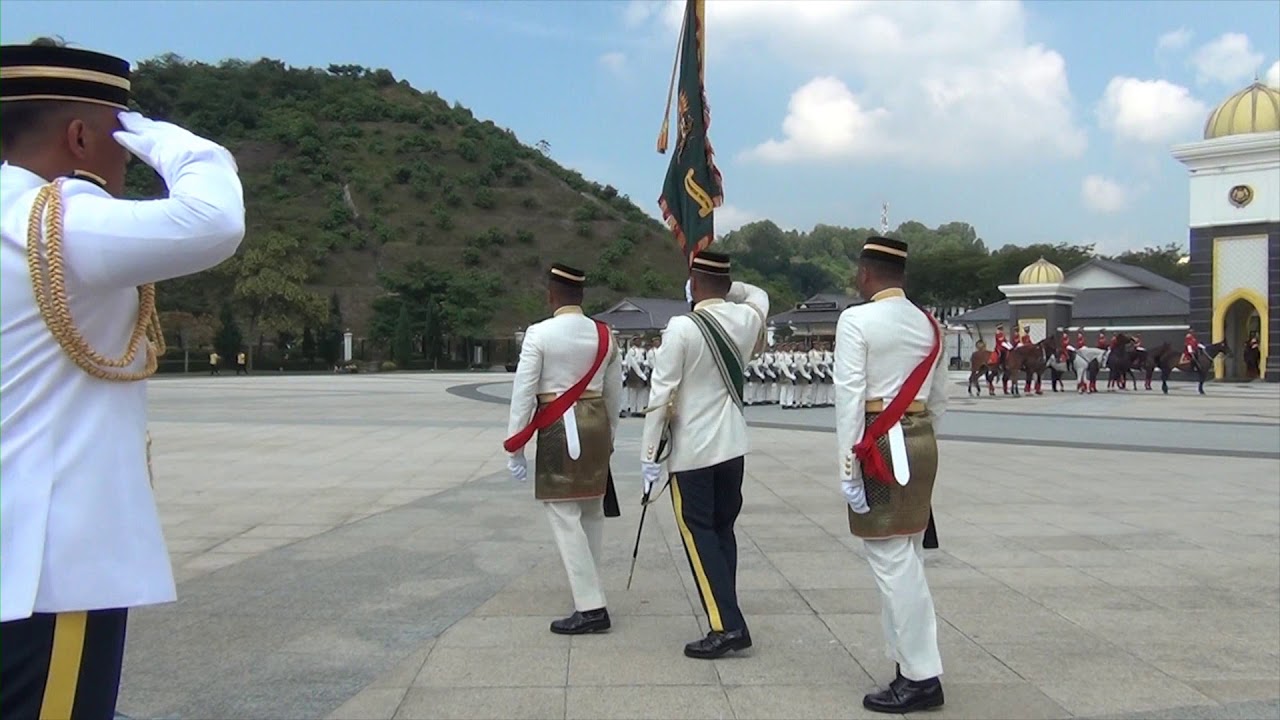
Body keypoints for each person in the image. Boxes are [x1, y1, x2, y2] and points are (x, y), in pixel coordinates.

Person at [1, 39, 245, 720]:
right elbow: (214, 219)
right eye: (118, 137)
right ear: (81, 136)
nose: (125, 159)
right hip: (50, 568)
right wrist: (177, 145)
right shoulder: (55, 223)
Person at [834, 237, 949, 714]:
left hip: (880, 445)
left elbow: (848, 397)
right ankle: (907, 664)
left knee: (891, 561)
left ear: (865, 274)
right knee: (907, 556)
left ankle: (922, 677)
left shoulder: (856, 319)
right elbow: (938, 398)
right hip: (921, 439)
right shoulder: (928, 323)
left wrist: (847, 468)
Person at [641, 251, 769, 659]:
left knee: (699, 536)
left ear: (693, 283)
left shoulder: (682, 327)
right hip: (733, 447)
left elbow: (661, 395)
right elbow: (760, 295)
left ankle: (726, 625)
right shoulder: (748, 319)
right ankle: (726, 611)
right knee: (722, 531)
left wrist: (648, 456)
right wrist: (734, 288)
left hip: (693, 451)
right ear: (727, 285)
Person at [505, 263, 622, 634]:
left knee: (562, 514)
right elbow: (614, 395)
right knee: (591, 512)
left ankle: (590, 607)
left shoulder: (540, 334)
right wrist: (611, 437)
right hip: (596, 423)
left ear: (552, 295)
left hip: (559, 425)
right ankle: (588, 592)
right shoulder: (605, 335)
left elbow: (523, 393)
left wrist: (515, 445)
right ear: (582, 296)